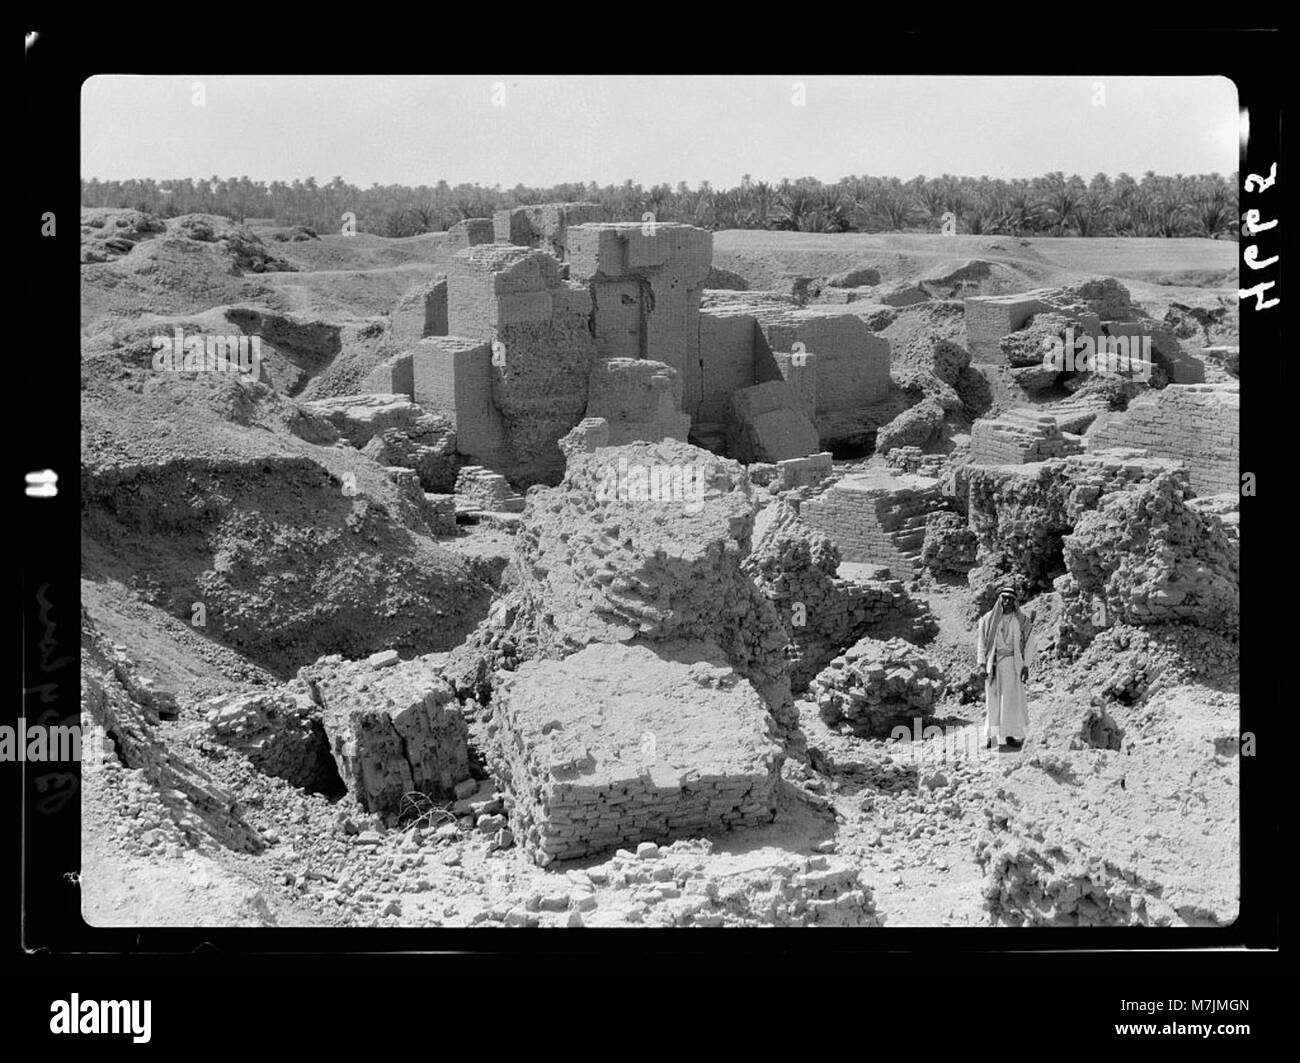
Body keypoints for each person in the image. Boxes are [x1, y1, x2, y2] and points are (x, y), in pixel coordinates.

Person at [975, 586, 1035, 750]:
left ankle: (1009, 736)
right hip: (993, 666)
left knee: (1010, 702)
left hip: (1013, 665)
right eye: (1004, 598)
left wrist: (1026, 665)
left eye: (1010, 599)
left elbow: (1030, 644)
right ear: (999, 600)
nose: (1007, 602)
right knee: (993, 702)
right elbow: (981, 643)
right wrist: (981, 664)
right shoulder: (987, 620)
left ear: (1015, 602)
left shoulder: (1022, 621)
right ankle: (992, 738)